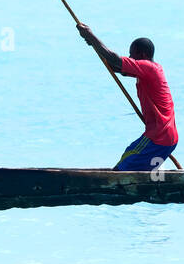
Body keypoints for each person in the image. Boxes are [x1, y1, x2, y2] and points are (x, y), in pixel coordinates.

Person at [76, 23, 178, 171]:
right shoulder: (149, 70)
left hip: (158, 136)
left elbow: (115, 60)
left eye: (132, 55)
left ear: (142, 56)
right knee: (130, 156)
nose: (130, 58)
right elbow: (118, 68)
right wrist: (94, 45)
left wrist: (91, 35)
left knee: (124, 168)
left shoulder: (148, 67)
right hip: (165, 137)